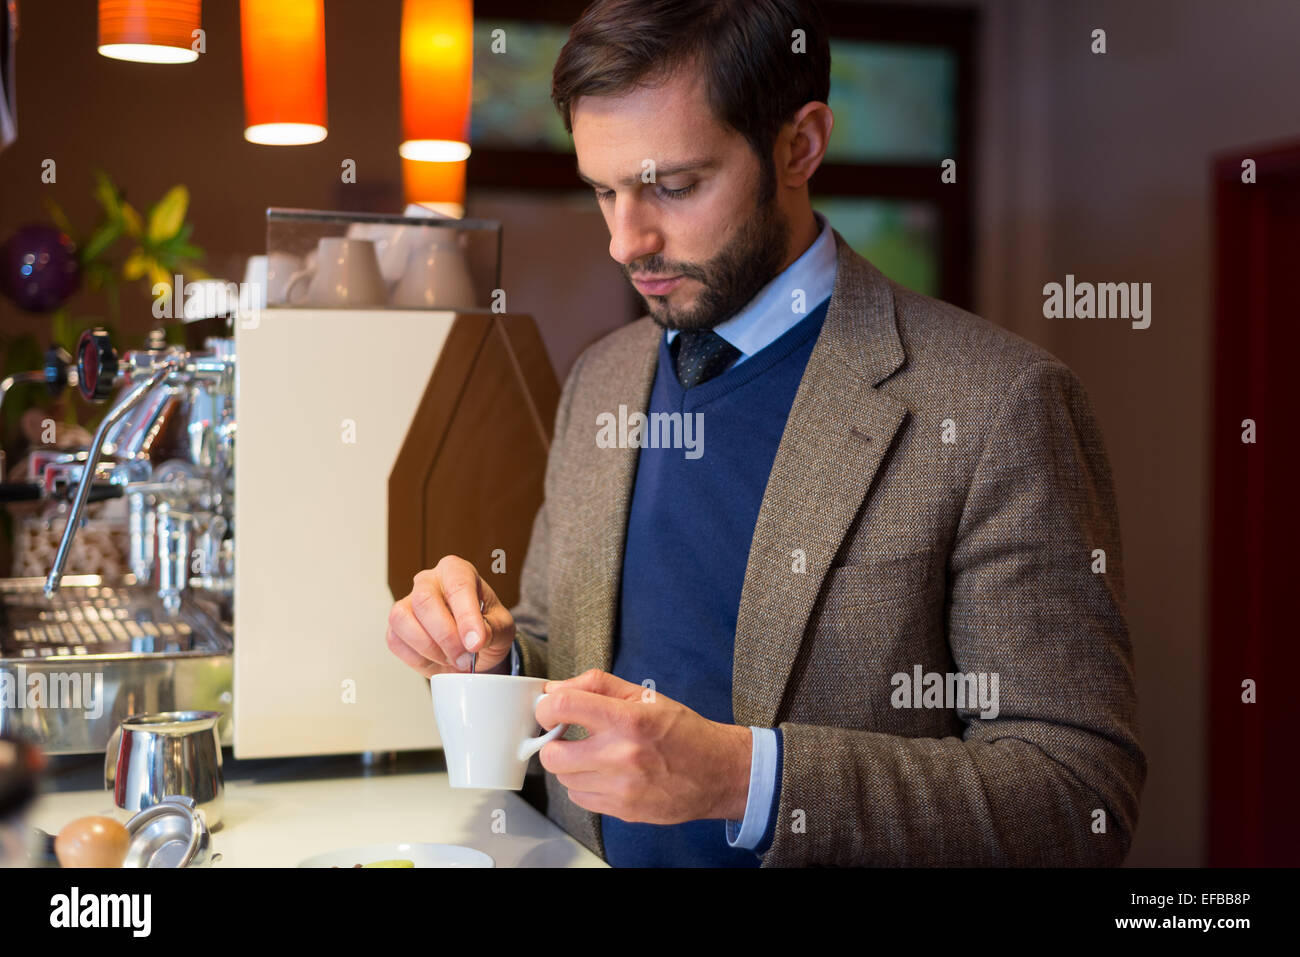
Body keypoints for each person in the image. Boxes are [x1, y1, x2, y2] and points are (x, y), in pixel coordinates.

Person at [386, 0, 1145, 867]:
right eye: (604, 189)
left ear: (801, 144)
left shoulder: (999, 403)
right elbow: (565, 645)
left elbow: (1079, 794)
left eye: (672, 185)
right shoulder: (603, 376)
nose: (625, 241)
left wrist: (745, 778)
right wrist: (490, 653)